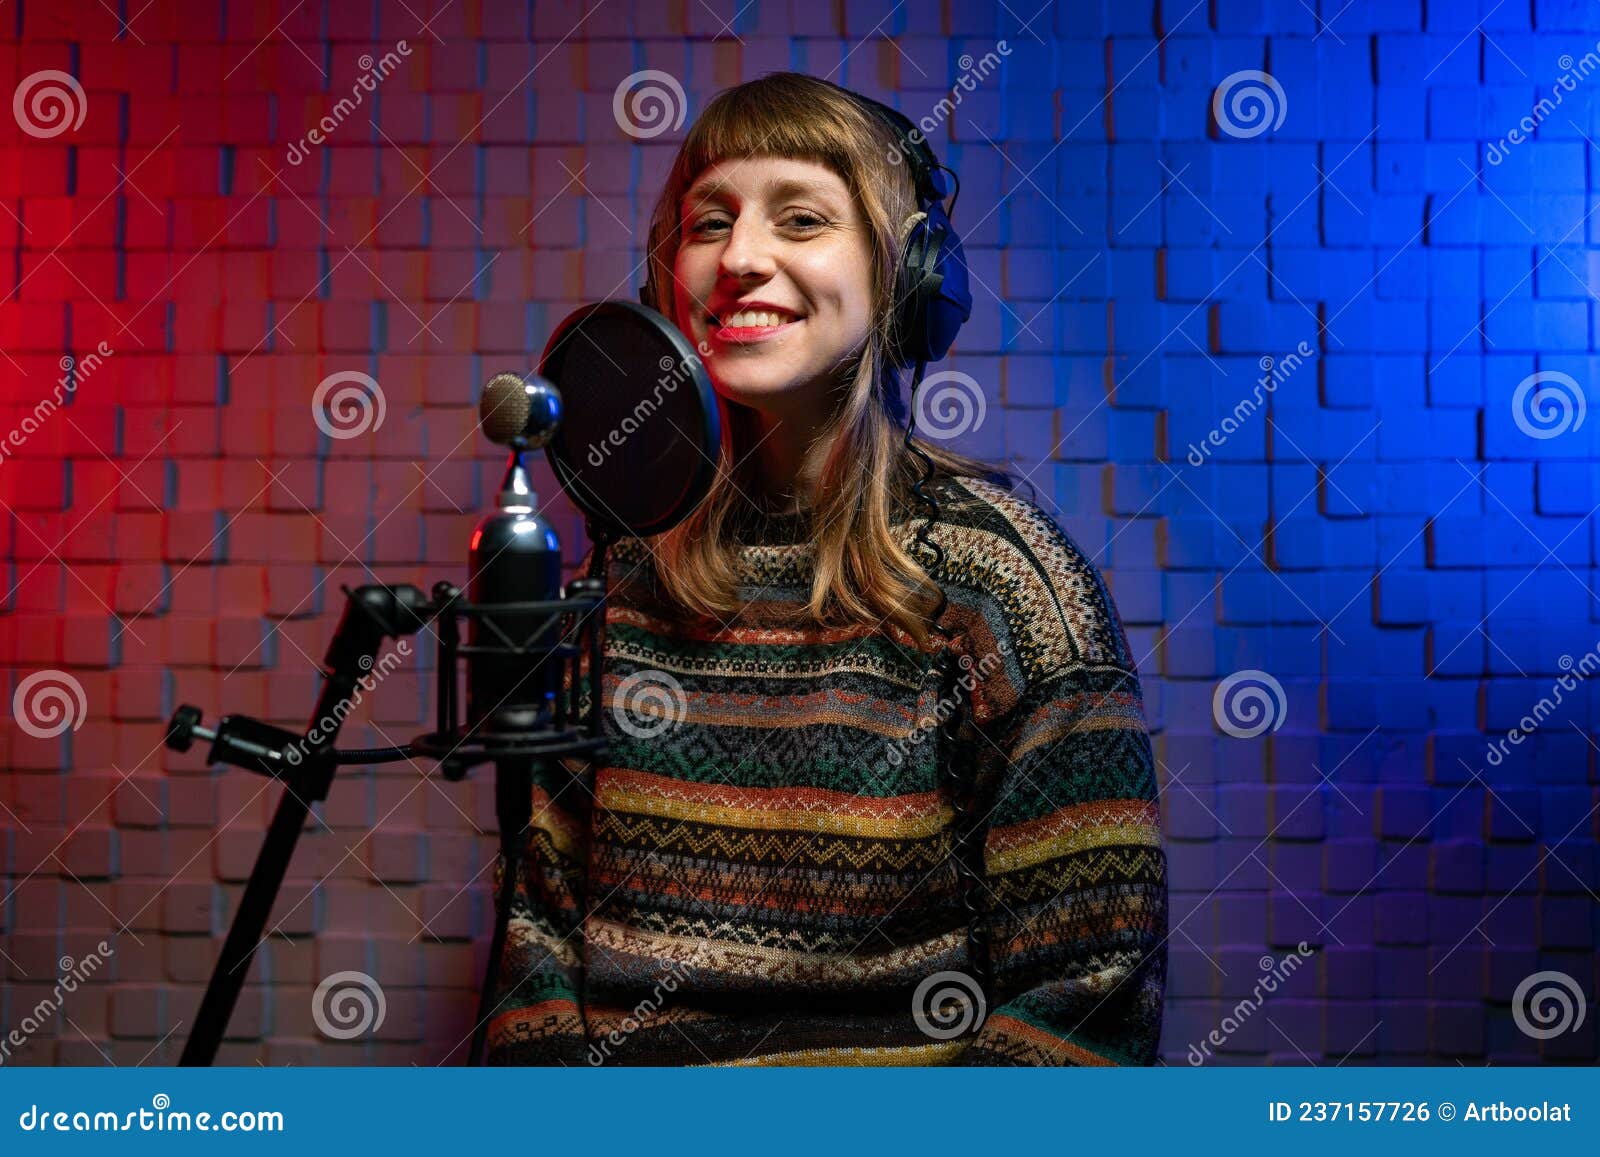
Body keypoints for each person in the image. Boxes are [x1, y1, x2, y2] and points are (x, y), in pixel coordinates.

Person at [480, 71, 1168, 1066]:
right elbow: (535, 952)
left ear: (907, 275)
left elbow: (1089, 996)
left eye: (800, 219)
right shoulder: (624, 580)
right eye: (708, 224)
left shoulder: (1003, 579)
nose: (740, 258)